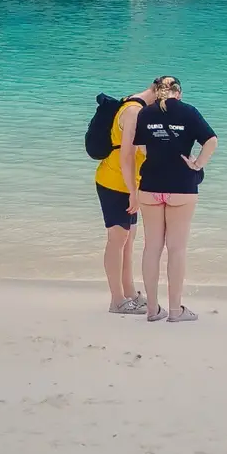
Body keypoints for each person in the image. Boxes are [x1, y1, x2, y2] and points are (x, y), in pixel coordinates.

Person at [119, 76, 218, 324]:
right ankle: (175, 311)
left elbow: (140, 148)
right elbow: (212, 140)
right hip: (182, 188)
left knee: (152, 248)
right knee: (177, 249)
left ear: (156, 92)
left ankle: (152, 309)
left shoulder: (146, 114)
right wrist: (197, 164)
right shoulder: (188, 112)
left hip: (151, 187)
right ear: (179, 93)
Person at [94, 81, 160, 313]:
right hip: (115, 182)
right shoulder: (133, 111)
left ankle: (129, 292)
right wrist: (133, 192)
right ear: (157, 92)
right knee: (117, 238)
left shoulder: (135, 105)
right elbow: (126, 155)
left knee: (128, 239)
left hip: (127, 183)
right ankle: (117, 300)